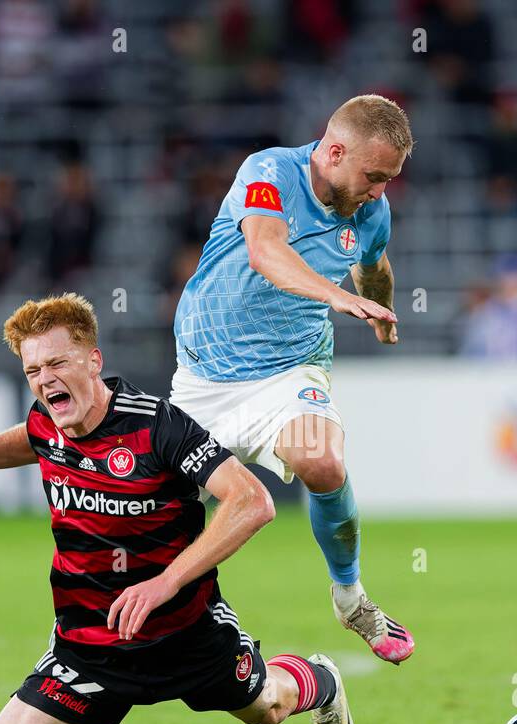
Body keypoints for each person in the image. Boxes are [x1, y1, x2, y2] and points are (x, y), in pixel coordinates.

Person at [0, 293, 355, 724]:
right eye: (33, 369)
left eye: (56, 362)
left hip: (186, 634)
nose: (44, 378)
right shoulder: (47, 421)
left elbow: (253, 502)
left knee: (268, 709)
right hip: (91, 650)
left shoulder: (157, 426)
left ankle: (320, 680)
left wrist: (166, 582)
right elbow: (30, 438)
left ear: (93, 360)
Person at [170, 93, 416, 665]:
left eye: (389, 179)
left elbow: (374, 267)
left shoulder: (372, 212)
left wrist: (380, 314)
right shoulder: (269, 171)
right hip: (205, 379)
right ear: (333, 151)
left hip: (290, 368)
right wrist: (340, 298)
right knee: (150, 530)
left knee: (321, 460)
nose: (380, 191)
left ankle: (351, 597)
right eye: (373, 175)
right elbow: (264, 250)